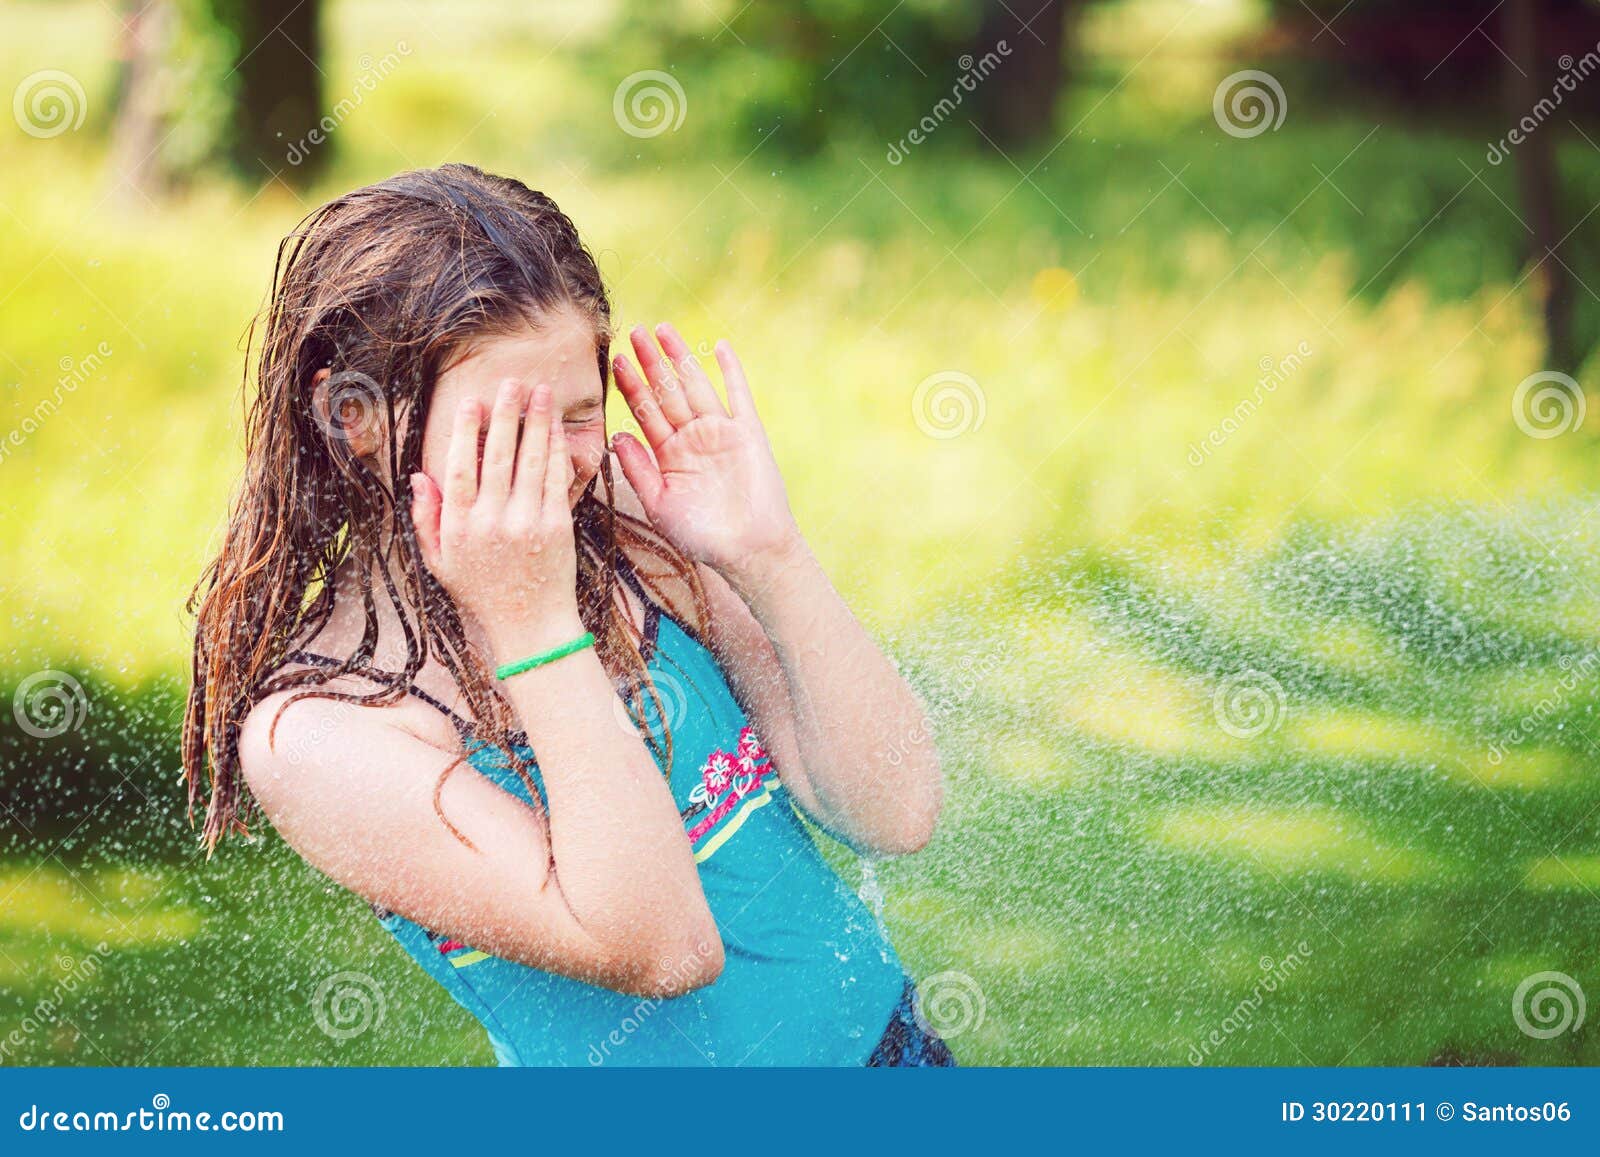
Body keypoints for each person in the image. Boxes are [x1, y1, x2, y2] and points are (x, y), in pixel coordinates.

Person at [181, 163, 952, 1066]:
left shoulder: (626, 533)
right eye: (503, 432)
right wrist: (533, 622)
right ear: (356, 417)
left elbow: (896, 810)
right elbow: (667, 948)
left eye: (580, 414)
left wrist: (771, 558)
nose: (556, 466)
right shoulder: (319, 732)